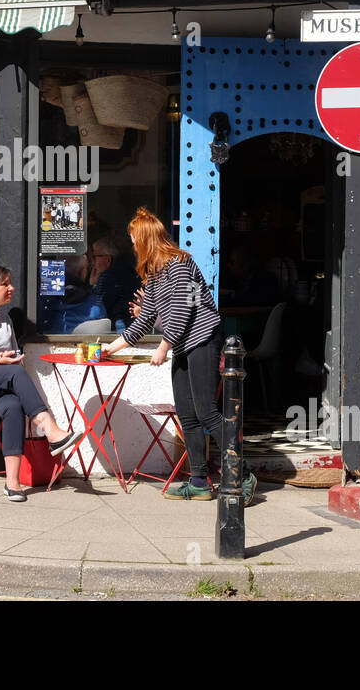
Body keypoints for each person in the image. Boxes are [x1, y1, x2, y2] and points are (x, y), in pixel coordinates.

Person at [102, 208, 256, 504]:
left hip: (202, 341)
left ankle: (243, 473)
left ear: (147, 239)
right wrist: (113, 347)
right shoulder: (154, 275)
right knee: (187, 415)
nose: (133, 245)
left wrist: (163, 347)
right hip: (184, 346)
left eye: (135, 239)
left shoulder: (180, 264)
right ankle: (199, 482)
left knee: (207, 411)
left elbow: (185, 311)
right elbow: (146, 318)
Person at [0, 264, 84, 501]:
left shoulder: (5, 318)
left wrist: (9, 362)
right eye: (5, 284)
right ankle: (50, 431)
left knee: (13, 406)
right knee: (12, 373)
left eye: (10, 282)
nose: (12, 288)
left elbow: (11, 361)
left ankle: (12, 483)